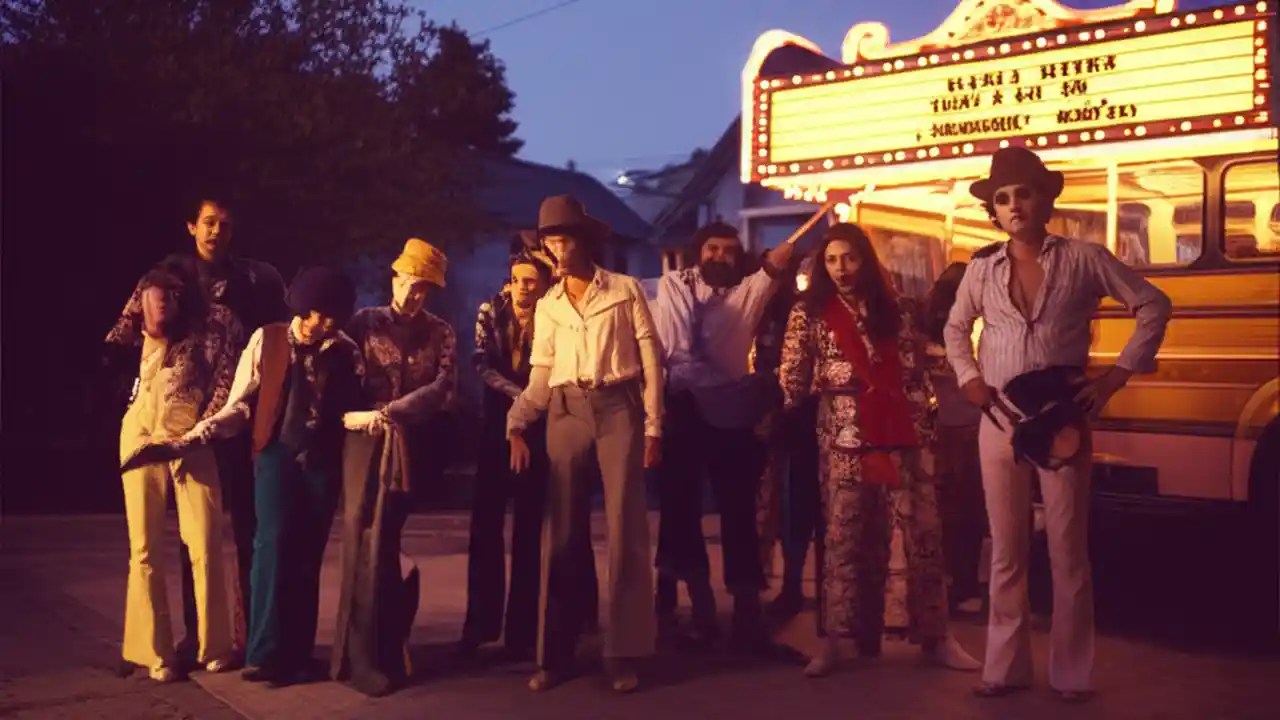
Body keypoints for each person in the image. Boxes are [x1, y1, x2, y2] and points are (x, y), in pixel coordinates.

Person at [944, 147, 1171, 702]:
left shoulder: (1085, 258)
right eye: (1003, 198)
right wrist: (969, 377)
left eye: (1024, 193)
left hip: (1061, 420)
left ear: (1046, 200)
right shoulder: (979, 269)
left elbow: (1153, 304)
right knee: (1005, 547)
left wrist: (1117, 376)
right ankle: (1003, 669)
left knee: (1068, 546)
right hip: (998, 419)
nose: (1014, 205)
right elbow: (955, 328)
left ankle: (1071, 675)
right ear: (993, 211)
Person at [778, 223, 979, 677]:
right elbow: (792, 376)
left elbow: (921, 365)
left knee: (921, 534)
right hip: (845, 436)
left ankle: (936, 637)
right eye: (831, 261)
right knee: (845, 536)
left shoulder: (900, 308)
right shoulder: (809, 312)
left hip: (906, 430)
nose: (841, 268)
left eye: (848, 258)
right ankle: (836, 640)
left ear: (864, 259)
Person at [105, 195, 287, 668]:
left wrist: (215, 423)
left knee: (230, 530)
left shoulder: (247, 285)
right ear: (191, 227)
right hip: (153, 416)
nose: (215, 232)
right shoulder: (165, 279)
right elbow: (121, 338)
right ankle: (177, 641)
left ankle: (241, 638)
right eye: (208, 222)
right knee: (160, 544)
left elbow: (244, 358)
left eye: (224, 224)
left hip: (218, 421)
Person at [507, 195, 663, 693]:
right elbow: (541, 373)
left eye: (564, 238)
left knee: (626, 530)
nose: (556, 248)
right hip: (565, 410)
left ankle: (624, 652)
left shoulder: (624, 289)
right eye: (549, 240)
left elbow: (651, 360)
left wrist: (655, 425)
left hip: (619, 408)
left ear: (584, 241)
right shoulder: (549, 304)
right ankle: (556, 654)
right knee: (563, 534)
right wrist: (516, 420)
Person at [190, 266, 365, 688]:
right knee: (271, 545)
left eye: (330, 317)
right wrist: (213, 425)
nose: (320, 324)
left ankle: (298, 653)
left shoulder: (344, 350)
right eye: (314, 314)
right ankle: (264, 653)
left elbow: (354, 406)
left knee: (308, 554)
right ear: (300, 307)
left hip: (322, 461)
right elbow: (242, 399)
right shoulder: (267, 339)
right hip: (274, 454)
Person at [651, 222, 794, 651]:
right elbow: (679, 353)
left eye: (728, 251)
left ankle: (747, 616)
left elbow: (774, 273)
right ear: (699, 251)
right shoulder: (675, 283)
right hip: (686, 410)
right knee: (680, 510)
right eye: (711, 249)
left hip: (733, 415)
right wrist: (734, 391)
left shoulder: (752, 287)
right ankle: (699, 608)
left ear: (741, 256)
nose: (718, 257)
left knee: (739, 513)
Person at [331, 238, 456, 696]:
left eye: (423, 288)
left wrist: (398, 411)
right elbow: (340, 374)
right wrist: (357, 414)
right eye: (408, 282)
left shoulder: (439, 332)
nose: (413, 293)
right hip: (363, 441)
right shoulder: (364, 323)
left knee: (385, 546)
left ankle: (387, 646)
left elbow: (444, 385)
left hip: (408, 446)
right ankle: (362, 656)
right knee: (364, 542)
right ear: (394, 277)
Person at [115, 260, 241, 682]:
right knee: (145, 546)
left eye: (174, 291)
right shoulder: (142, 314)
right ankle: (154, 652)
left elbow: (224, 385)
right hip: (141, 429)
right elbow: (114, 353)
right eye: (157, 291)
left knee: (205, 539)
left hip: (190, 432)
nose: (164, 299)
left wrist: (199, 433)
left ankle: (215, 645)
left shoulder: (218, 324)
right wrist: (147, 332)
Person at [922, 263, 987, 614]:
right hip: (958, 425)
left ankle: (956, 581)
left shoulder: (936, 333)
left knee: (957, 508)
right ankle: (958, 582)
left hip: (956, 425)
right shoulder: (952, 329)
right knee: (960, 508)